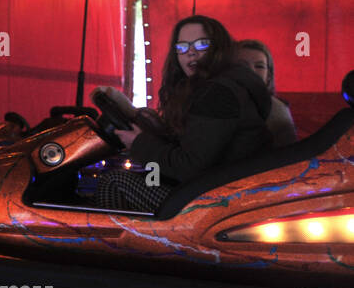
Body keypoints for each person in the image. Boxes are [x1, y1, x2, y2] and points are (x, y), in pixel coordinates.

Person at [96, 15, 273, 212]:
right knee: (144, 177)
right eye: (182, 47)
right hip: (222, 190)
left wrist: (138, 143)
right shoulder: (223, 85)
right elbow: (199, 143)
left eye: (201, 45)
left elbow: (190, 167)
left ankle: (130, 243)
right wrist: (155, 130)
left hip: (219, 203)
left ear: (219, 48)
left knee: (115, 181)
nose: (190, 53)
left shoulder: (218, 92)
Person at [237, 39, 299, 146]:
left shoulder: (278, 110)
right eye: (243, 64)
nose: (251, 71)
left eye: (259, 66)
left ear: (269, 77)